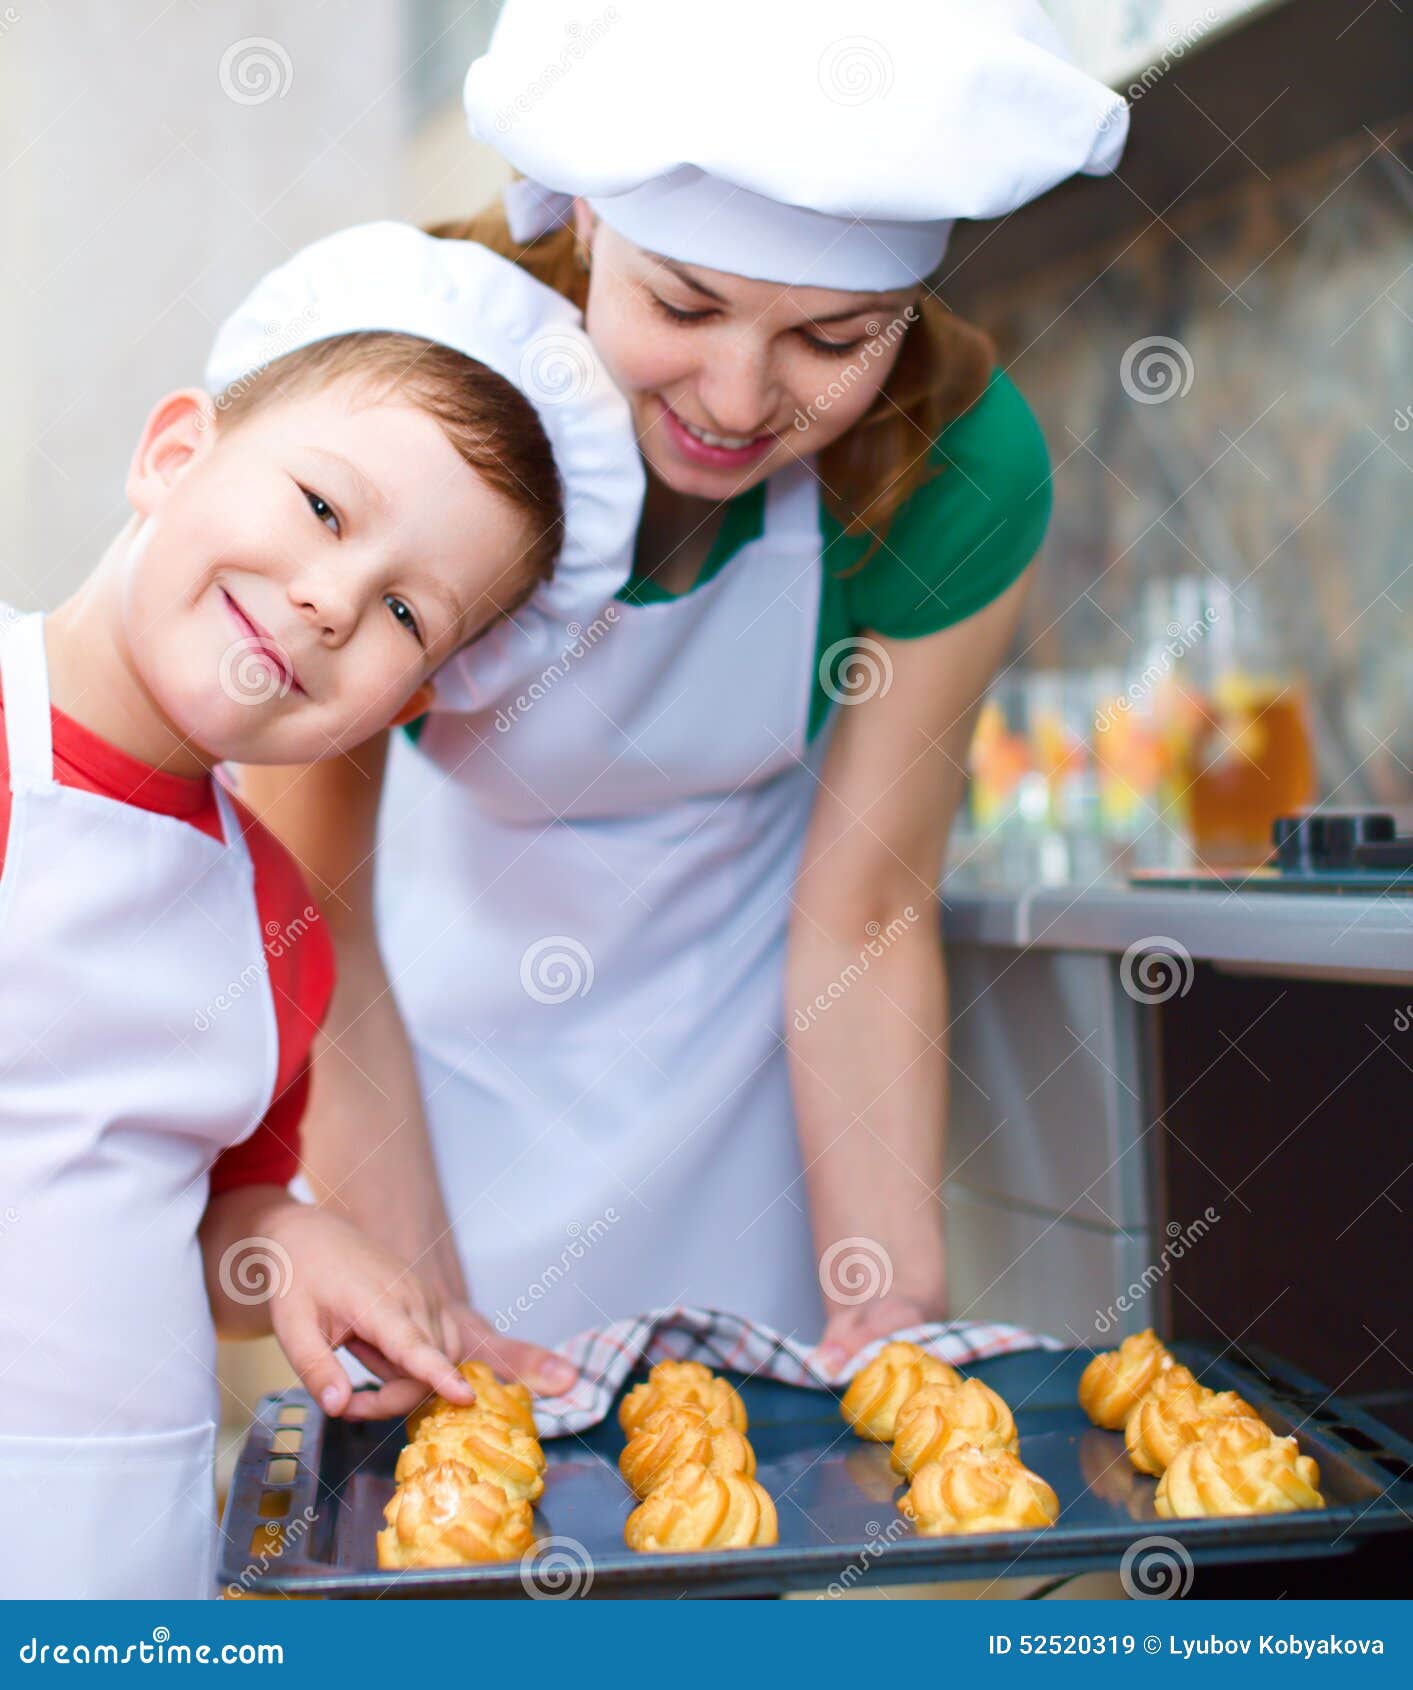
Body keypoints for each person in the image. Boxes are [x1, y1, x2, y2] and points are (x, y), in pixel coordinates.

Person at [236, 1, 1128, 1385]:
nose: (733, 395)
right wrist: (410, 1290)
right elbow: (307, 895)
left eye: (832, 341)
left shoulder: (950, 465)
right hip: (418, 1064)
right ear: (586, 220)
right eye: (684, 303)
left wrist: (887, 1302)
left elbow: (865, 910)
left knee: (739, 1525)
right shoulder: (413, 396)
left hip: (749, 1091)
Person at [0, 221, 641, 1597]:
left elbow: (190, 1228)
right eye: (324, 508)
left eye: (410, 614)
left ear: (410, 705)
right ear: (174, 453)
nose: (331, 600)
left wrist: (285, 1241)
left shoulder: (272, 916)